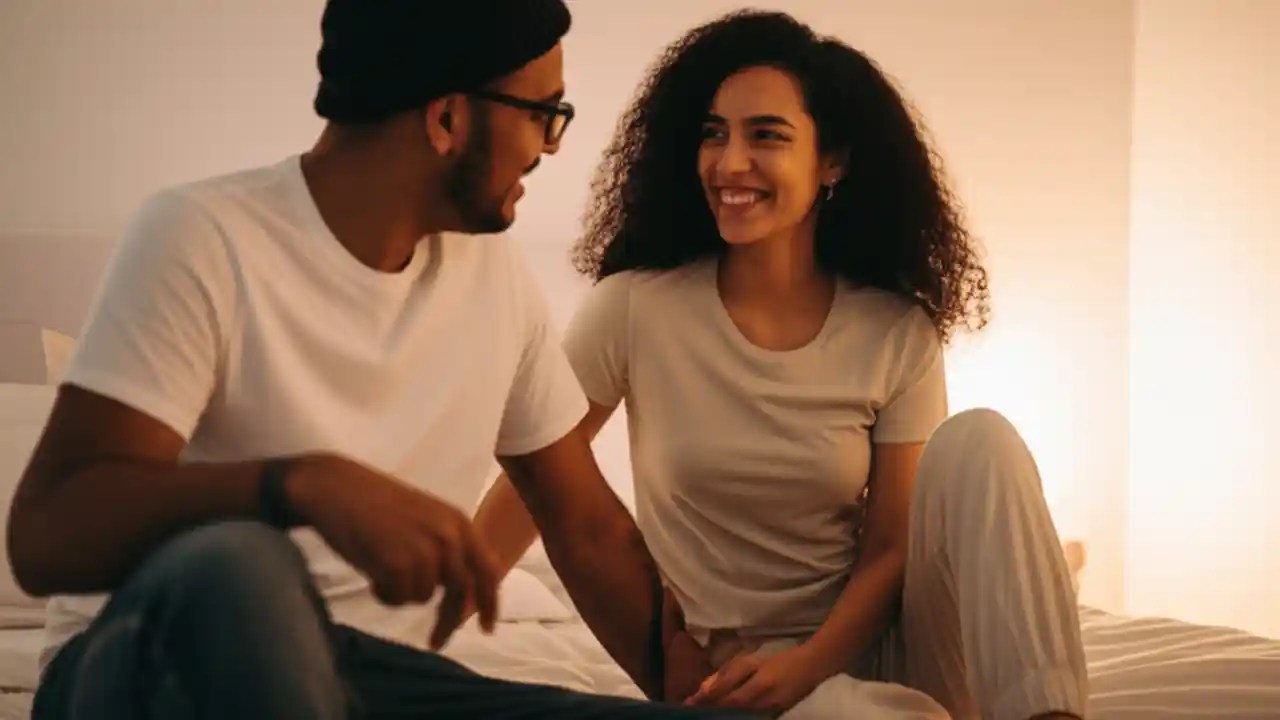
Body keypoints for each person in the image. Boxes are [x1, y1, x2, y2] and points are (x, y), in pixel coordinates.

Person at [4, 2, 764, 719]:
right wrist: (300, 486)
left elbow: (586, 529)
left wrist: (691, 696)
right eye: (543, 114)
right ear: (446, 118)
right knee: (240, 565)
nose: (549, 145)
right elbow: (47, 533)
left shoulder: (492, 280)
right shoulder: (205, 238)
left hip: (364, 681)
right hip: (148, 669)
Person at [475, 10, 1089, 720]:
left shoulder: (894, 328)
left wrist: (808, 665)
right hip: (741, 675)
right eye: (713, 133)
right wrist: (415, 631)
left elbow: (891, 548)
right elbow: (538, 481)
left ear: (833, 161)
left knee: (980, 438)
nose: (729, 163)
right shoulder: (634, 310)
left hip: (881, 646)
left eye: (765, 135)